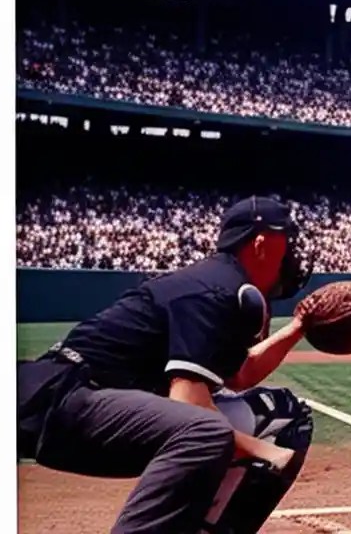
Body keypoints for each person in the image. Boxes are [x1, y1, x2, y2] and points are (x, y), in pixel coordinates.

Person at [17, 195, 318, 533]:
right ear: (261, 245)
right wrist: (265, 452)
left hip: (86, 397)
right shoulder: (216, 290)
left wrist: (299, 328)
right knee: (206, 432)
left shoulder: (225, 285)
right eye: (286, 241)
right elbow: (188, 403)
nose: (293, 253)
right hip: (62, 399)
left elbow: (240, 375)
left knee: (285, 416)